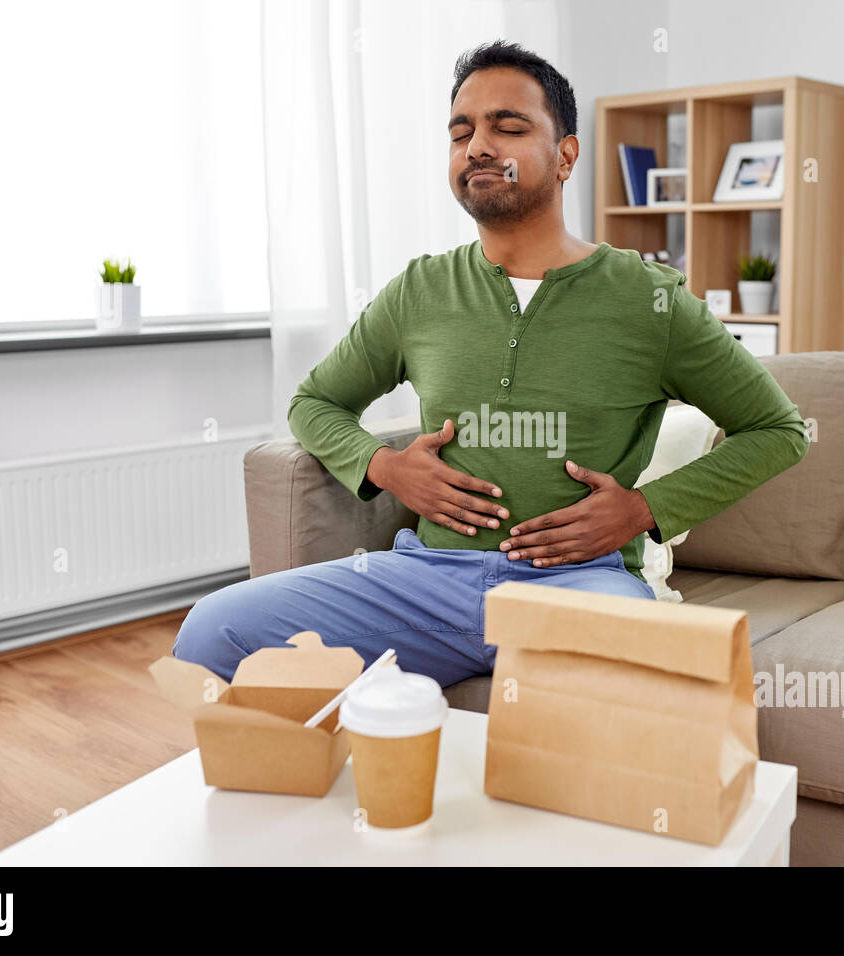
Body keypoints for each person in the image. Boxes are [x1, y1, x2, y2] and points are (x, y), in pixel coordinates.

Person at [173, 40, 808, 687]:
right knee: (211, 632)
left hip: (579, 584)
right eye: (460, 131)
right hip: (423, 581)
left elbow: (779, 431)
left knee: (632, 685)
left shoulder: (648, 300)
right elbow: (313, 403)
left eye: (507, 126)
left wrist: (643, 510)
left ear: (566, 155)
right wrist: (386, 467)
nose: (477, 146)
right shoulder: (421, 290)